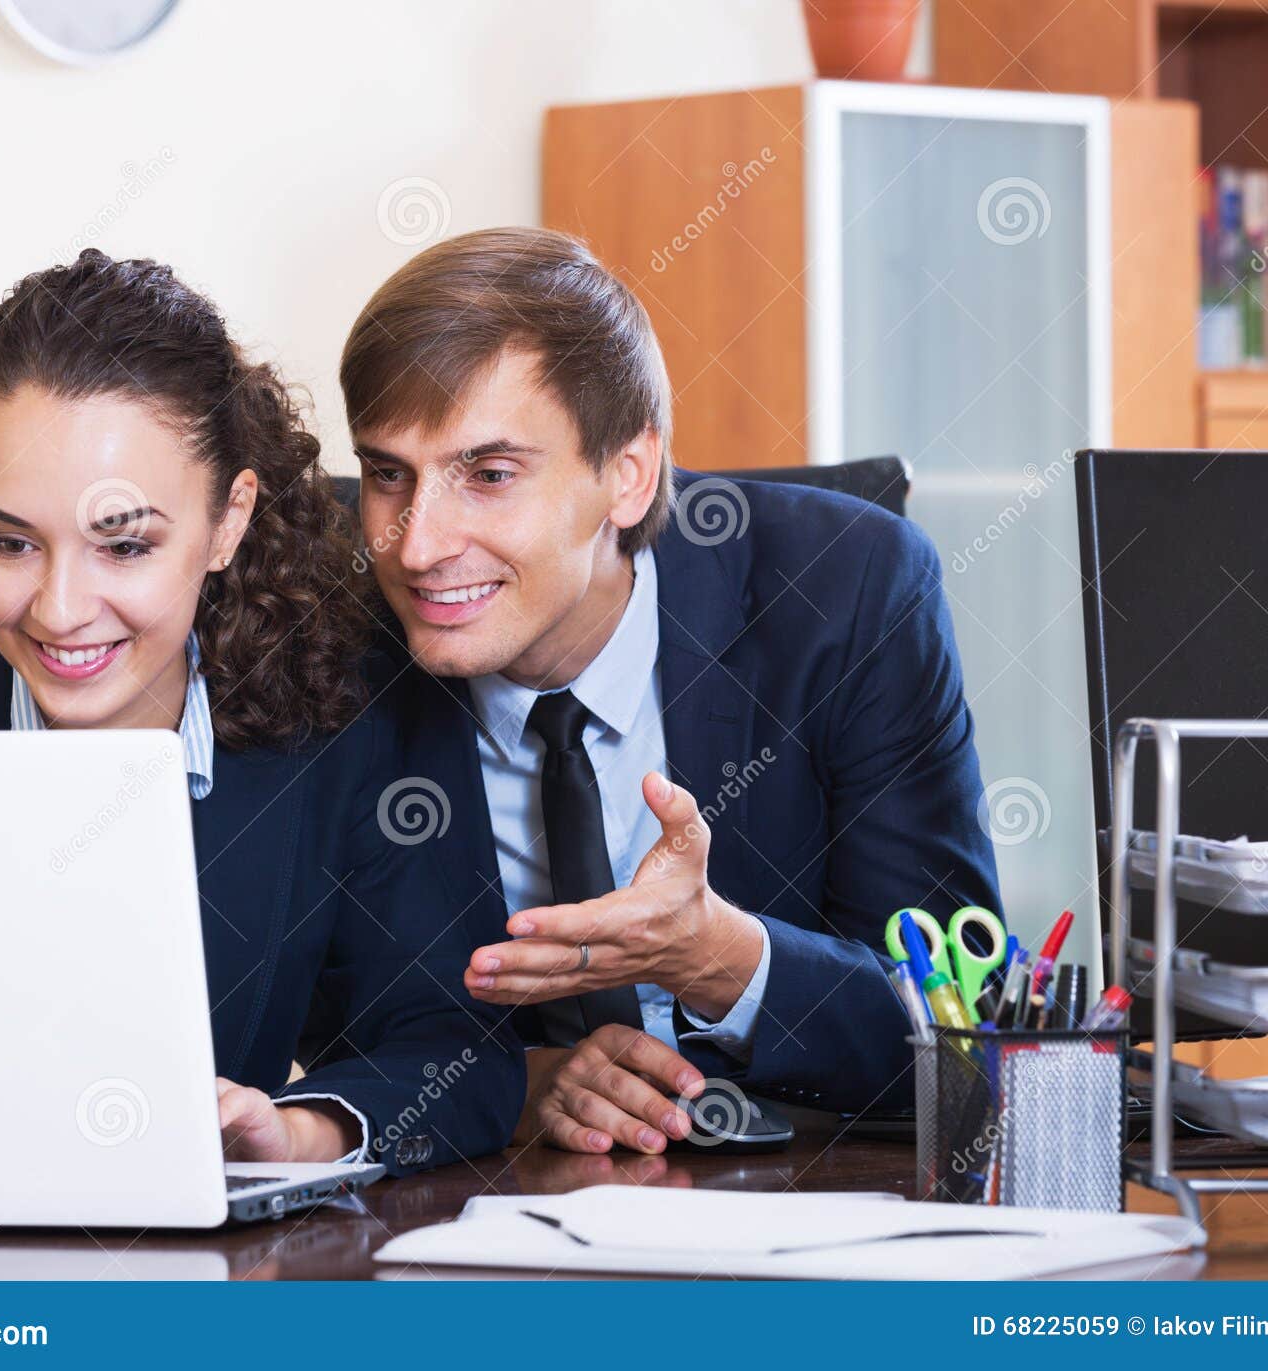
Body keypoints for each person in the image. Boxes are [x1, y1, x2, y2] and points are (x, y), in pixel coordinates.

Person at [0, 249, 523, 1175]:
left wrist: (296, 1133)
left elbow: (461, 1054)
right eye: (10, 541)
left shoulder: (352, 733)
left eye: (123, 546)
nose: (60, 608)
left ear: (227, 521)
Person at [340, 227, 1001, 1155]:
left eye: (488, 476)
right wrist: (520, 1086)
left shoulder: (851, 592)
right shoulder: (331, 632)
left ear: (627, 475)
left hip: (805, 1202)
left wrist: (717, 957)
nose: (416, 545)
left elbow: (956, 1032)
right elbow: (310, 1017)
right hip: (487, 1218)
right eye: (386, 475)